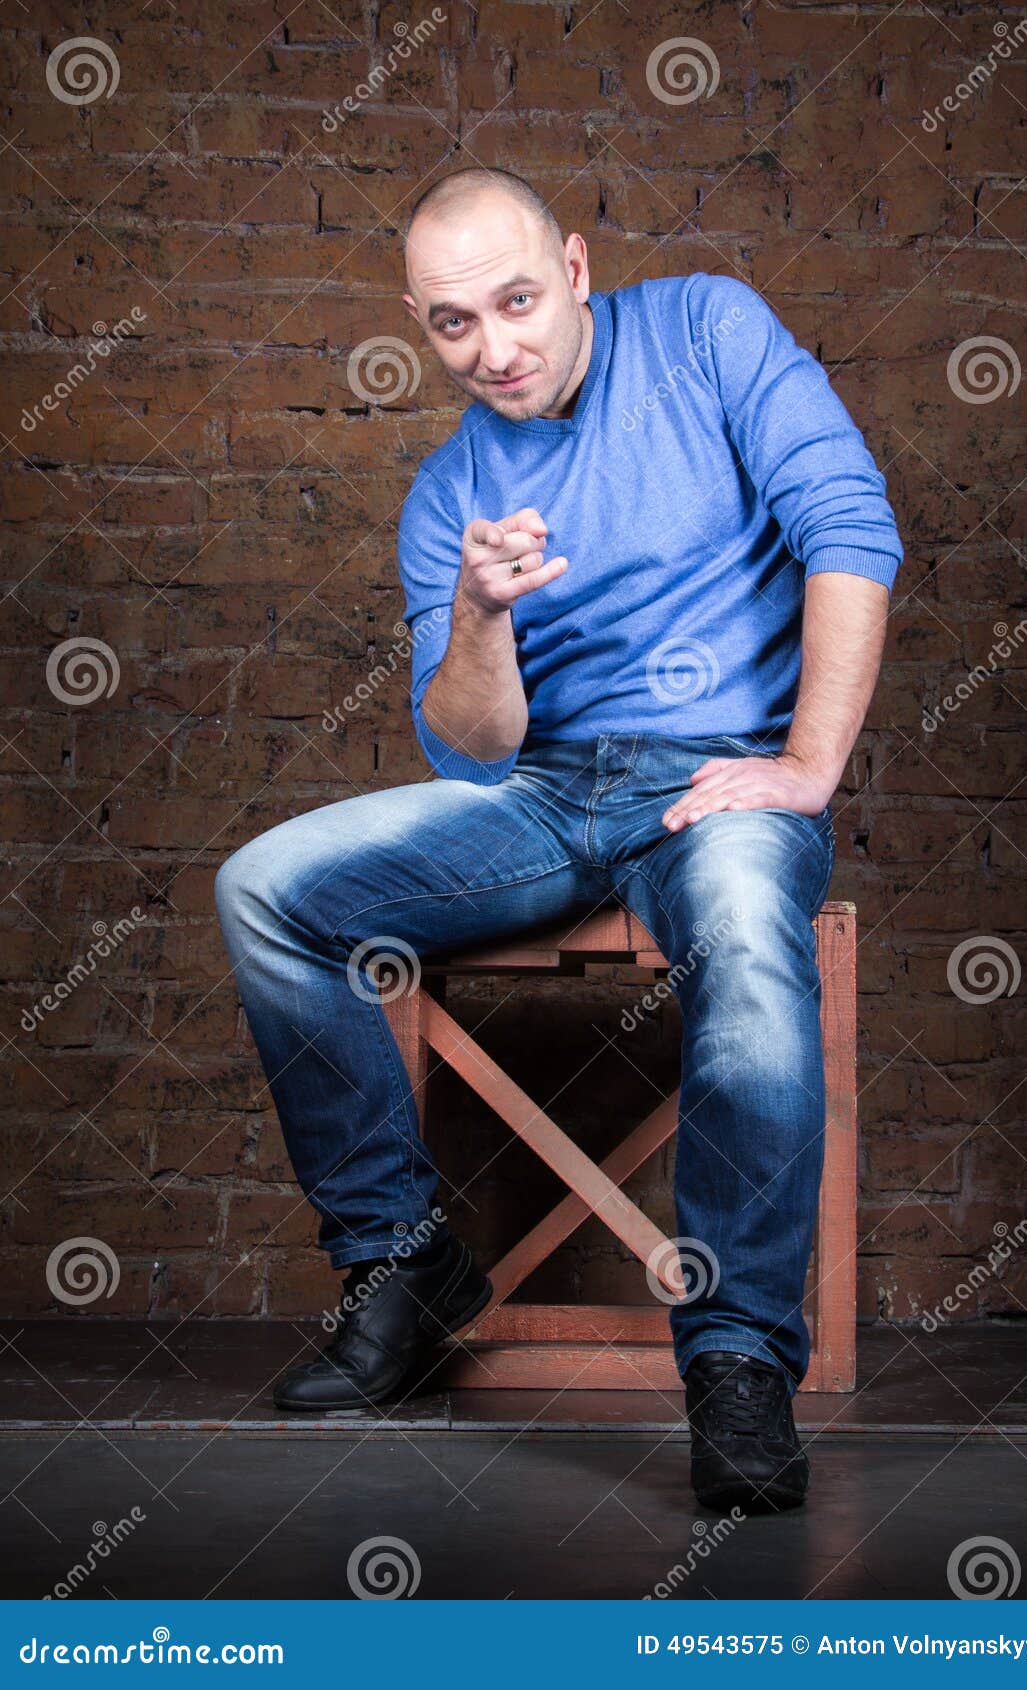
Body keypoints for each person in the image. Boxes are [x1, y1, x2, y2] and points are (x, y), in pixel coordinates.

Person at [214, 165, 901, 1514]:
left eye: (520, 301)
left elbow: (849, 524)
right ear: (421, 322)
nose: (497, 348)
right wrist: (478, 616)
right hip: (541, 794)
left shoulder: (707, 328)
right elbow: (468, 744)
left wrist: (806, 764)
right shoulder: (445, 493)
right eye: (456, 323)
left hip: (717, 783)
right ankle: (404, 1259)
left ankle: (739, 1360)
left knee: (755, 945)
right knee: (267, 891)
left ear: (578, 267)